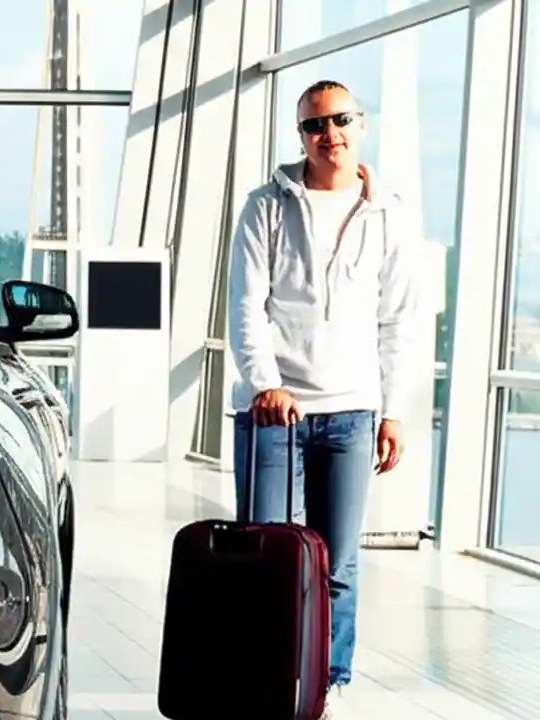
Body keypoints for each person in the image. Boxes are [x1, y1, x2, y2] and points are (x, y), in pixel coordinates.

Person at [225, 79, 422, 716]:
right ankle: (262, 674)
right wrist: (266, 384)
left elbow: (399, 321)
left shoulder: (390, 212)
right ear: (301, 135)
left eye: (339, 120)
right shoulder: (265, 207)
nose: (328, 134)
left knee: (338, 561)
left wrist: (393, 410)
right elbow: (246, 308)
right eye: (315, 125)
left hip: (352, 414)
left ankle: (326, 683)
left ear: (360, 124)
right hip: (272, 414)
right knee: (267, 558)